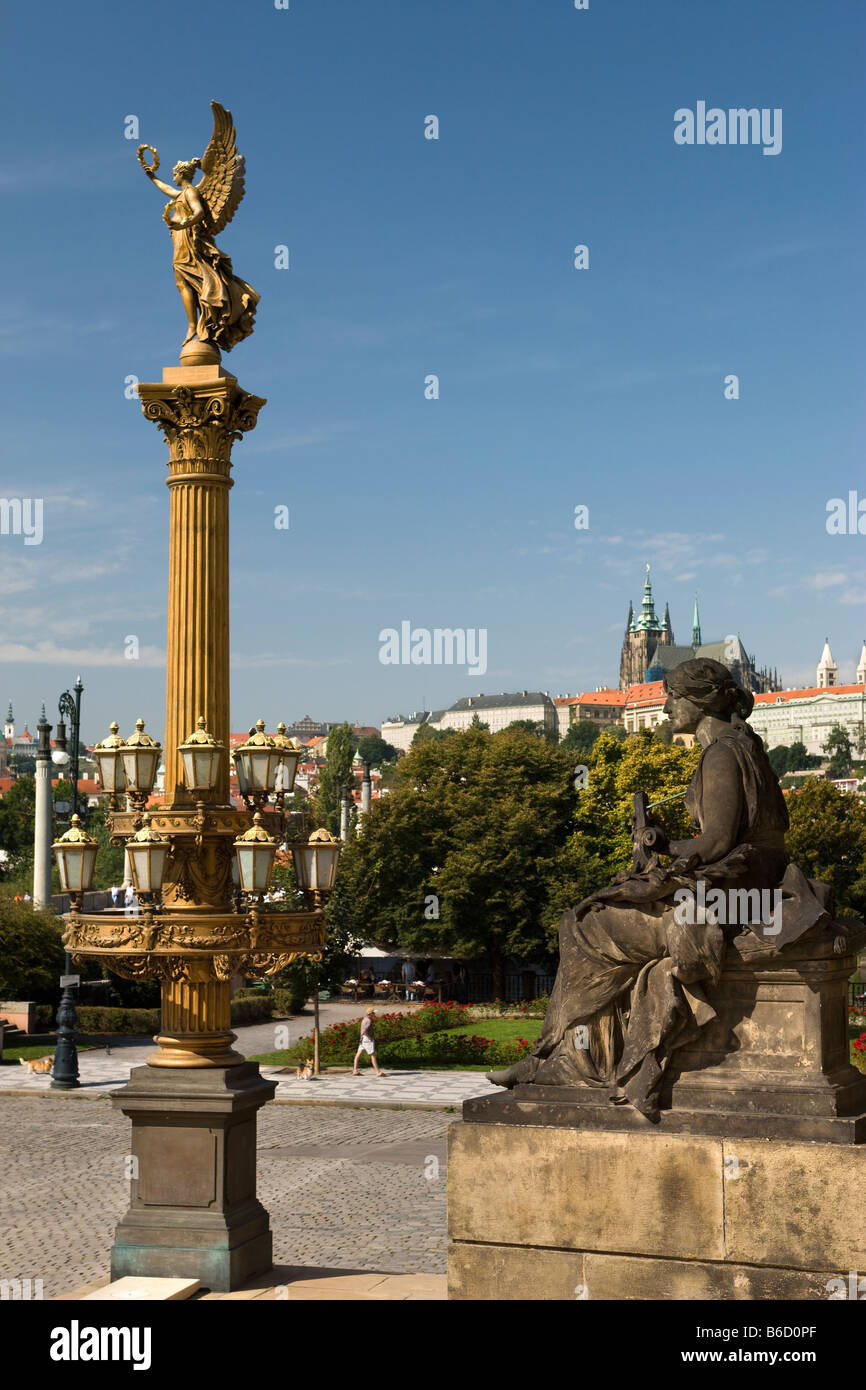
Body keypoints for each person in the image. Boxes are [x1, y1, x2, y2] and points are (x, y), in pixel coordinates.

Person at [487, 658, 830, 1120]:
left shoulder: (722, 754)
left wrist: (664, 844)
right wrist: (666, 847)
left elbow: (716, 842)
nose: (665, 706)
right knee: (606, 910)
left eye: (671, 696)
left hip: (725, 903)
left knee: (581, 925)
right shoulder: (749, 749)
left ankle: (568, 1061)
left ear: (698, 701)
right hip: (748, 889)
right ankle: (576, 1054)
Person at [352, 1008, 384, 1077]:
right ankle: (378, 1072)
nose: (374, 1014)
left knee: (358, 1054)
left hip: (363, 1039)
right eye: (373, 1013)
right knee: (373, 1055)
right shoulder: (368, 1020)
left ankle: (355, 1070)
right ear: (370, 1014)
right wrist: (369, 1037)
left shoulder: (365, 1019)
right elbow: (364, 1030)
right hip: (367, 1039)